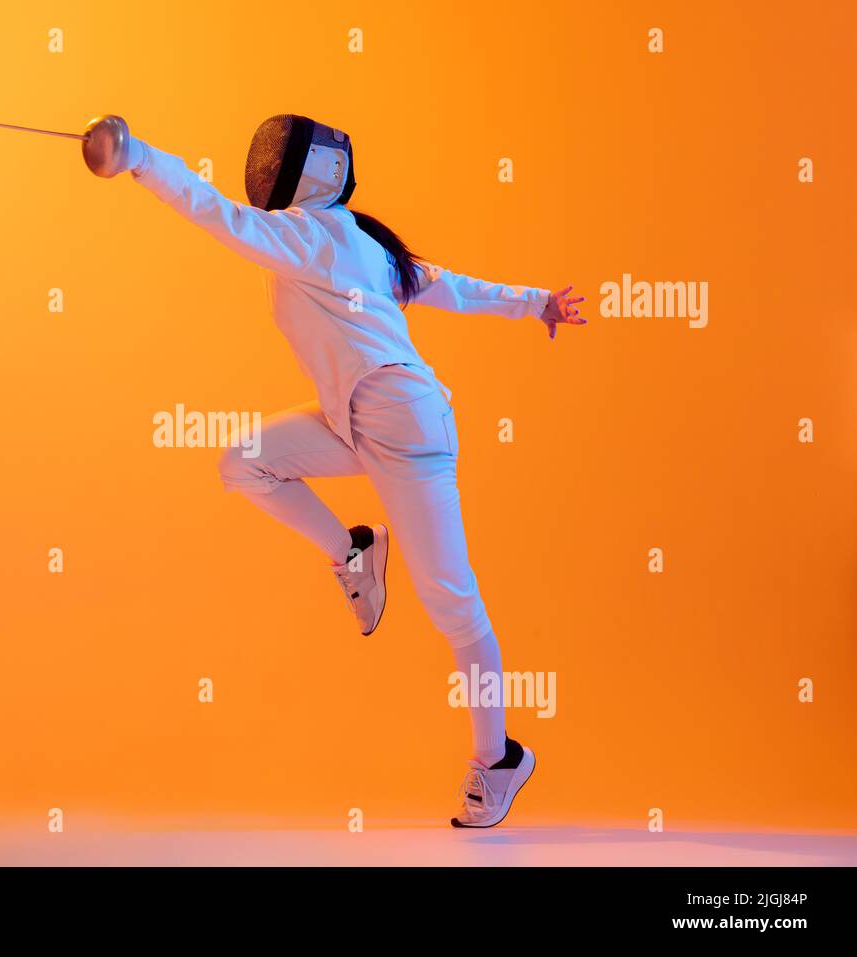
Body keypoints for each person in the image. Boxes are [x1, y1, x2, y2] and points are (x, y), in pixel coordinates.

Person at [104, 115, 585, 827]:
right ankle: (355, 551)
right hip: (352, 421)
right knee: (244, 462)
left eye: (278, 160)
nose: (266, 168)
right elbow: (449, 284)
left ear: (306, 172)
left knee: (451, 600)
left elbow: (211, 208)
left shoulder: (319, 235)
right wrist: (534, 302)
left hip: (406, 425)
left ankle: (499, 760)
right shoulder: (349, 239)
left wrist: (138, 156)